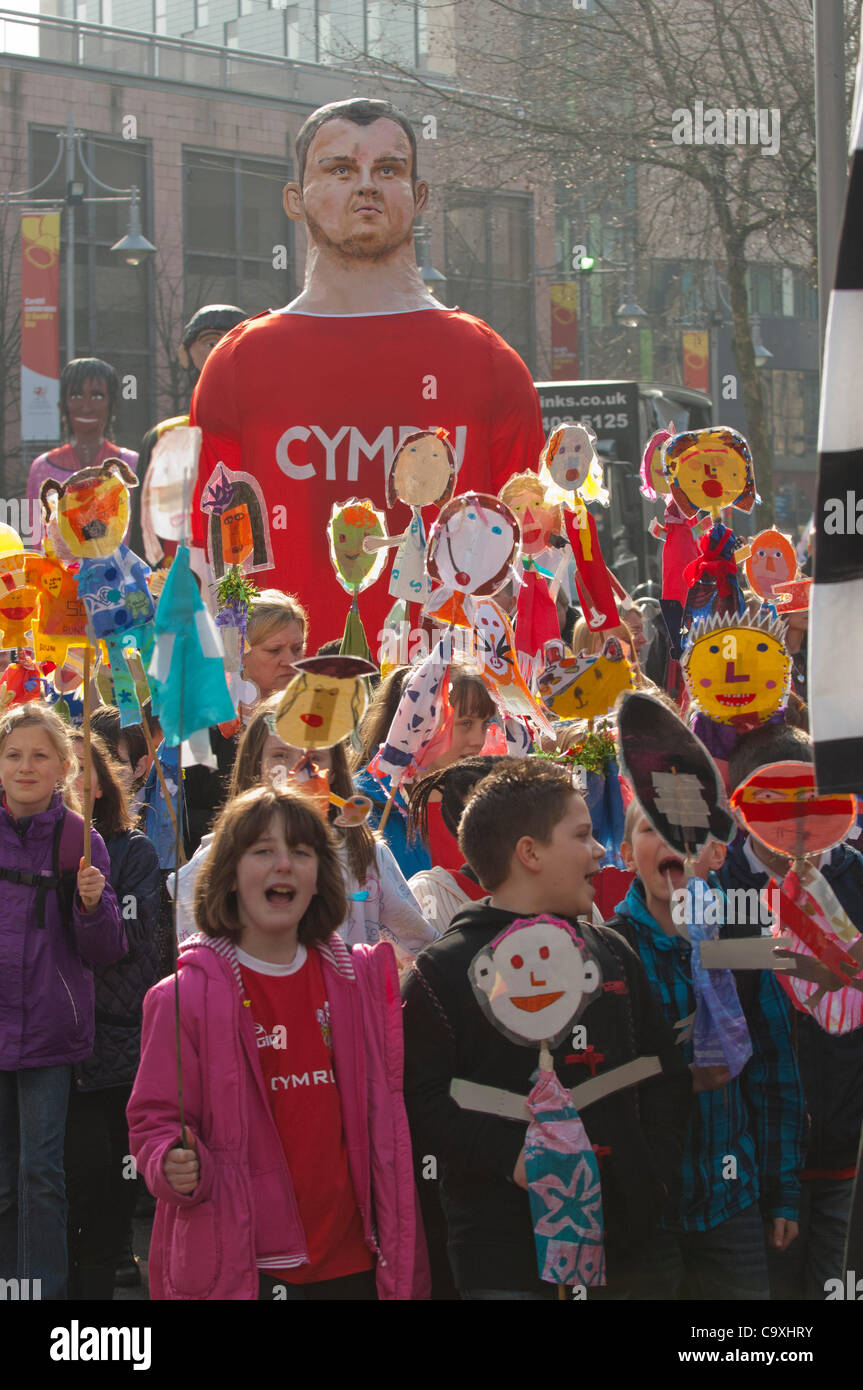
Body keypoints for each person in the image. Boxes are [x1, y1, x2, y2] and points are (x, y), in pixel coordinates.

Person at [189, 97, 544, 651]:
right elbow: (214, 557)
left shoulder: (490, 363)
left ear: (419, 196)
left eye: (388, 169)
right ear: (294, 200)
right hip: (286, 716)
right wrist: (236, 698)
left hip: (452, 712)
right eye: (339, 169)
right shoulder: (239, 365)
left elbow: (533, 553)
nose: (366, 186)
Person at [402, 758, 692, 1299]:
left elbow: (665, 1074)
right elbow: (422, 1102)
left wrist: (652, 1175)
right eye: (582, 835)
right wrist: (507, 1158)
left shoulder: (612, 956)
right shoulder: (441, 975)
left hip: (629, 1248)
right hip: (501, 1253)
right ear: (529, 853)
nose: (600, 851)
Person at [127, 782, 429, 1300]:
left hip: (353, 1259)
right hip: (246, 1261)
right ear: (226, 877)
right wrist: (166, 1161)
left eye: (302, 852)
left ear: (320, 878)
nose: (283, 864)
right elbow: (155, 1120)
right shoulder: (181, 997)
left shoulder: (356, 983)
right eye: (262, 850)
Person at [608, 799, 805, 1300]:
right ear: (629, 854)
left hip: (730, 1200)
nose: (672, 842)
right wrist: (677, 1073)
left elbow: (776, 1070)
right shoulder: (609, 952)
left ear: (716, 853)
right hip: (648, 1208)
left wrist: (782, 1191)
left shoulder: (744, 937)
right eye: (654, 829)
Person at [723, 721, 863, 1300]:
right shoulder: (717, 886)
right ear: (740, 811)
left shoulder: (856, 878)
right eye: (774, 806)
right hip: (756, 1152)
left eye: (813, 802)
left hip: (845, 1146)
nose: (798, 823)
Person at [0, 704, 124, 1300]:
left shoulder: (81, 841)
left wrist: (92, 905)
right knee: (3, 1174)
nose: (26, 766)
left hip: (48, 1029)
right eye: (14, 754)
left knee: (40, 1172)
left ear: (64, 768)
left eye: (40, 755)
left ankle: (40, 1290)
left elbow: (106, 950)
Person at [170, 695, 435, 957]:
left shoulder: (366, 855)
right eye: (280, 755)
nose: (298, 770)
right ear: (256, 766)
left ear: (333, 771)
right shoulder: (217, 857)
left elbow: (421, 944)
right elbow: (197, 954)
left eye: (315, 758)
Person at [63, 731, 161, 1299]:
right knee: (75, 1166)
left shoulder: (133, 851)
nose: (71, 781)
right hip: (62, 1038)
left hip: (120, 1033)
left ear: (99, 780)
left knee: (120, 1160)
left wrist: (92, 912)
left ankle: (116, 1247)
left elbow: (137, 941)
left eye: (81, 768)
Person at [354, 663, 499, 878]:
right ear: (421, 723)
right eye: (465, 723)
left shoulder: (481, 800)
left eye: (485, 724)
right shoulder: (364, 803)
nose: (478, 740)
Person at [128, 304, 247, 563]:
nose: (220, 351)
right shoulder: (166, 438)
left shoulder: (265, 437)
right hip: (178, 586)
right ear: (184, 354)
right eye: (210, 342)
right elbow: (145, 537)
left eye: (234, 341)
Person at [26, 358, 138, 513]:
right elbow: (37, 530)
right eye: (76, 395)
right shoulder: (43, 468)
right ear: (62, 405)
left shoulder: (132, 465)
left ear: (113, 406)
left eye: (97, 396)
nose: (86, 407)